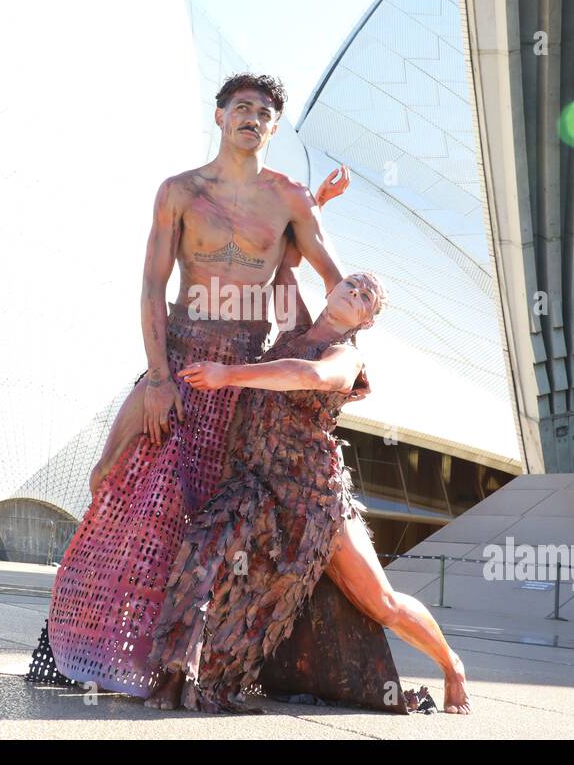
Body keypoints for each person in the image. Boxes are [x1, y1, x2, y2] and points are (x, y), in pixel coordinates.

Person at [45, 73, 354, 697]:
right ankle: (109, 658)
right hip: (183, 367)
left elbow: (336, 284)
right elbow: (151, 287)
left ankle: (194, 665)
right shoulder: (180, 192)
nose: (252, 117)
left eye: (264, 111)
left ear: (273, 127)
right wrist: (158, 381)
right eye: (241, 107)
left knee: (220, 526)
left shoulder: (291, 199)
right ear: (219, 117)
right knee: (138, 503)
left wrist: (333, 359)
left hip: (242, 374)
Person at [143, 272, 472, 714]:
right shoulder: (294, 328)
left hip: (313, 501)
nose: (354, 294)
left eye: (364, 298)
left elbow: (312, 376)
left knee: (381, 602)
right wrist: (314, 200)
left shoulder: (345, 357)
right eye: (350, 285)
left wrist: (229, 375)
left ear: (366, 321)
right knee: (206, 551)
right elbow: (284, 257)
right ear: (331, 287)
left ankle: (452, 666)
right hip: (256, 486)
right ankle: (185, 673)